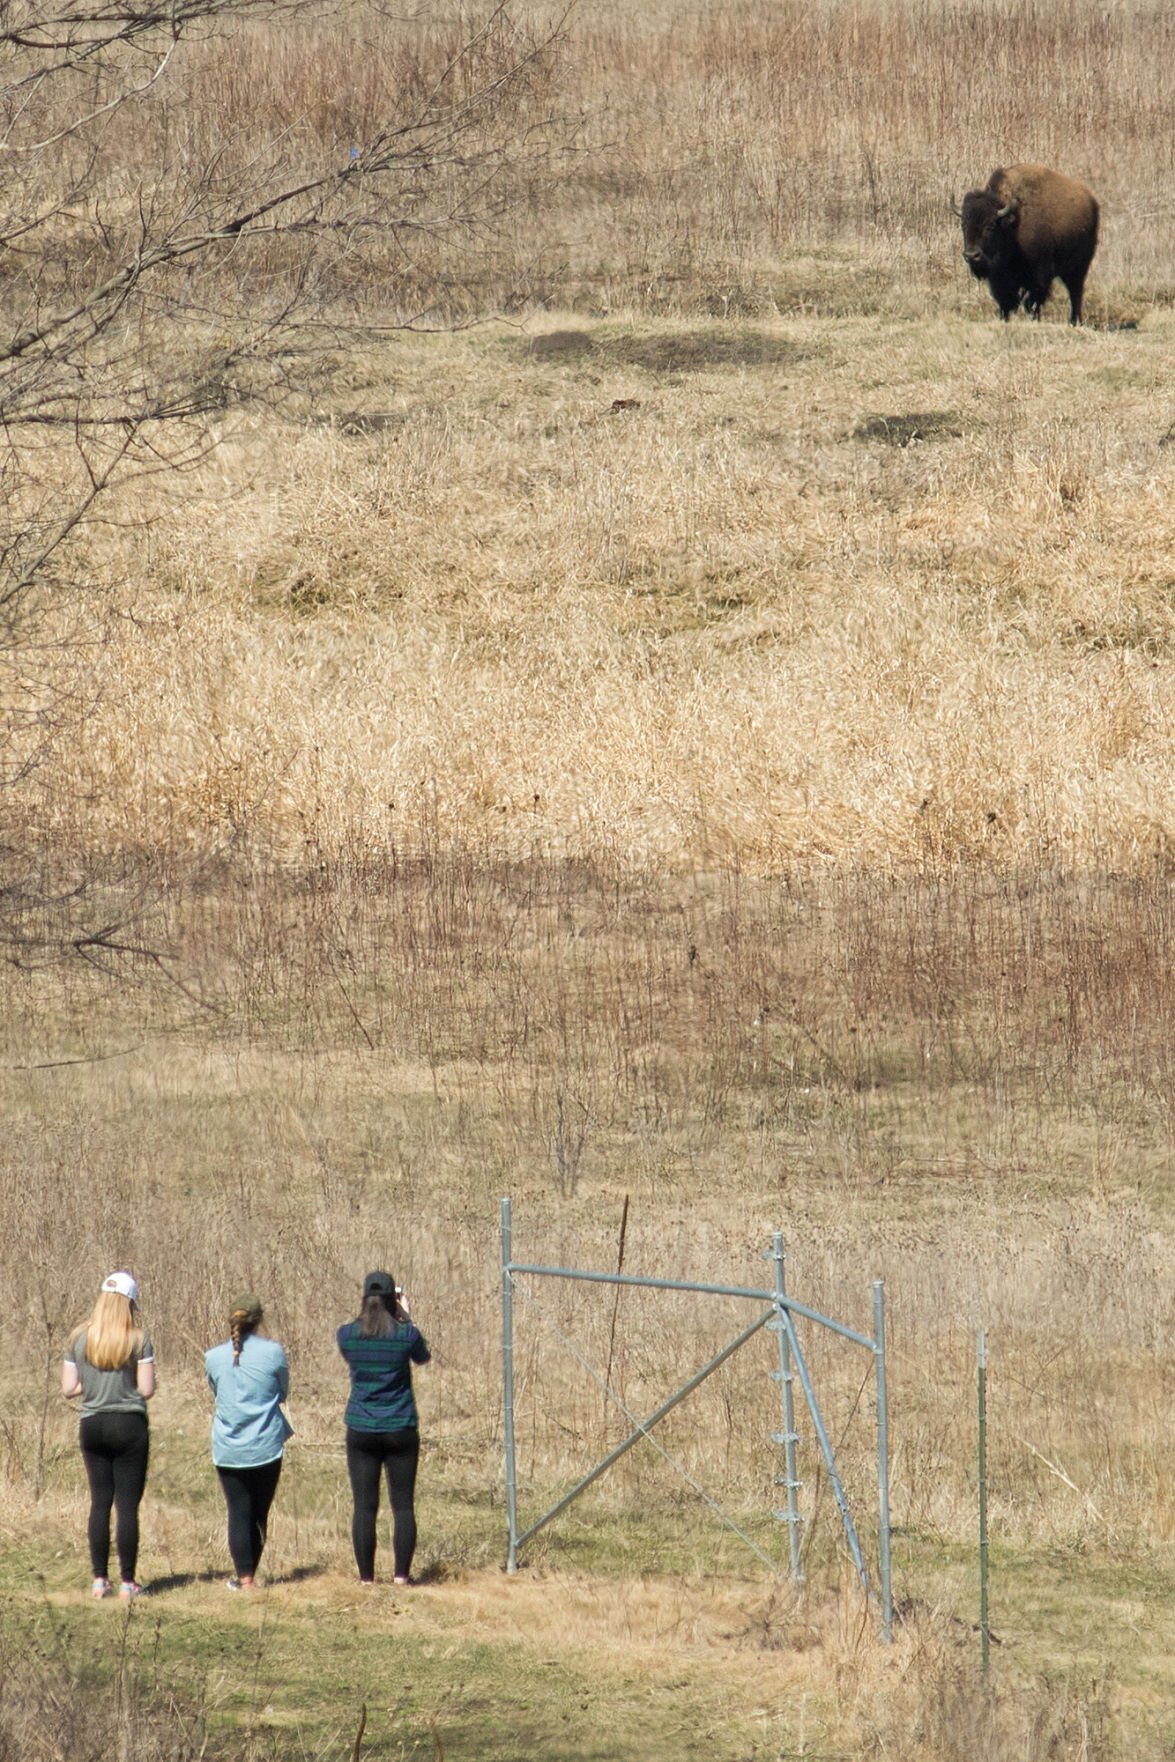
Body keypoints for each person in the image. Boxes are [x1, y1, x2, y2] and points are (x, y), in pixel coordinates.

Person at [62, 1271, 155, 1599]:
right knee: (127, 1505)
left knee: (100, 1501)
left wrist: (94, 1383)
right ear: (129, 1304)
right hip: (129, 1425)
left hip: (93, 1425)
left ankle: (100, 1580)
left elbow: (68, 1389)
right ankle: (128, 1582)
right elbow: (147, 1389)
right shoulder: (138, 1339)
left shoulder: (78, 1338)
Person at [337, 1270, 430, 1586]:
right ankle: (401, 1576)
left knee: (364, 1506)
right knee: (402, 1505)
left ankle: (366, 1578)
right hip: (400, 1426)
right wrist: (406, 1316)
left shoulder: (347, 1335)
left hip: (361, 1427)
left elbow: (353, 1342)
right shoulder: (406, 1336)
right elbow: (423, 1357)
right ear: (394, 1299)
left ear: (364, 1298)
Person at [205, 1294, 293, 1591]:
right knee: (259, 1512)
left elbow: (216, 1391)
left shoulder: (213, 1356)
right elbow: (283, 1391)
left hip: (228, 1447)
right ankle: (250, 1576)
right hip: (266, 1444)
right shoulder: (274, 1352)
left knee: (238, 1511)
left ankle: (245, 1579)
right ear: (259, 1320)